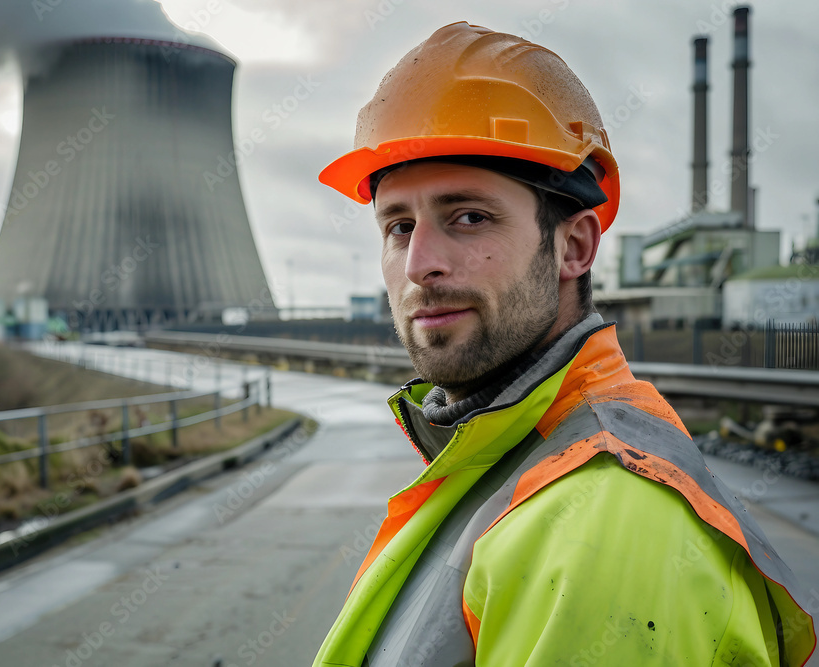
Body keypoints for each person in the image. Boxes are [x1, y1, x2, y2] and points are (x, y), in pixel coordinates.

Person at [312, 22, 816, 666]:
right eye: (399, 226)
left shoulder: (606, 522)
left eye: (469, 217)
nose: (420, 264)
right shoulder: (502, 460)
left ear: (573, 247)